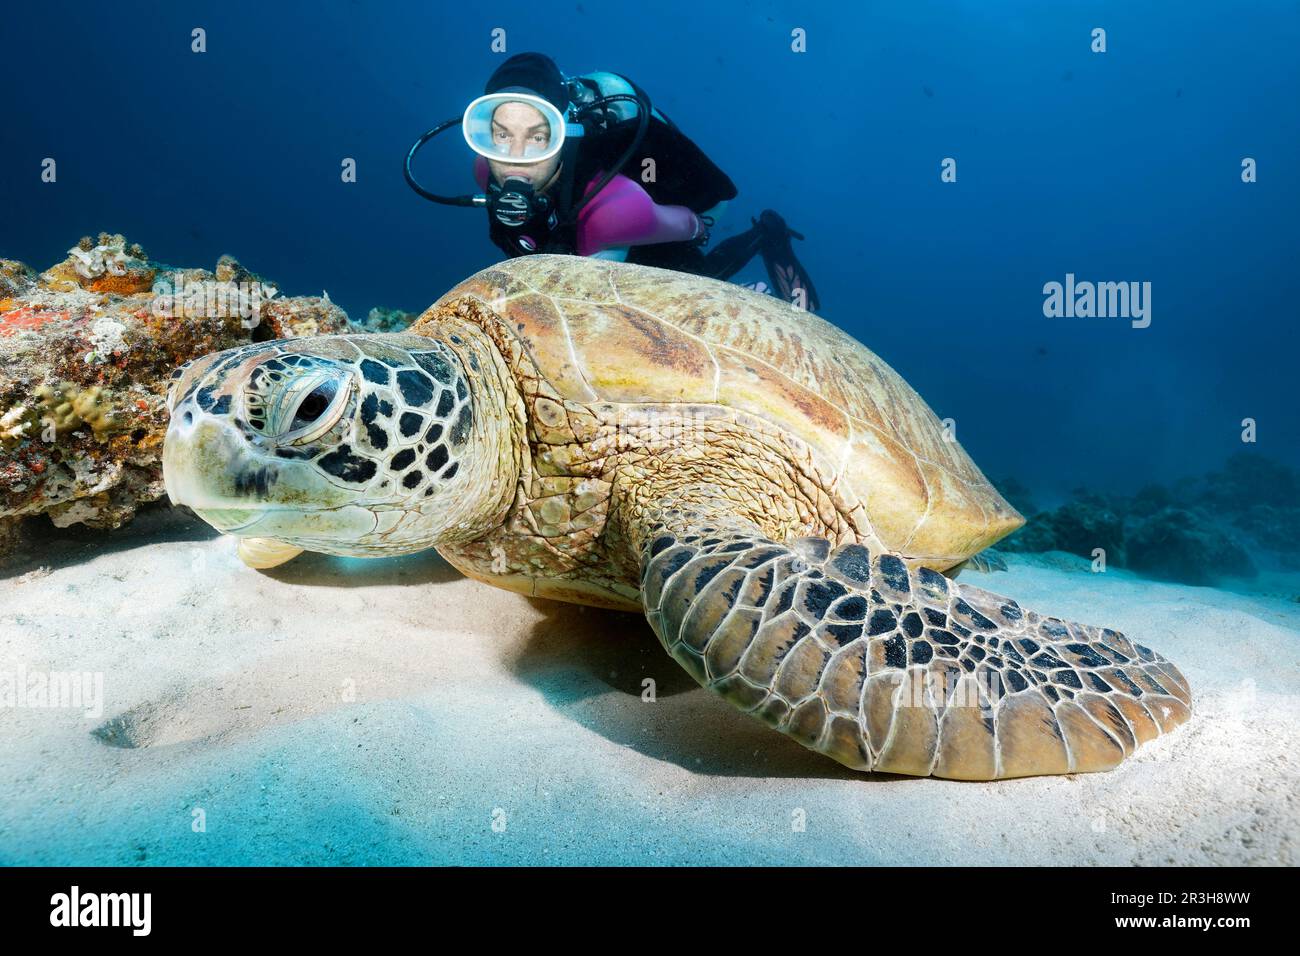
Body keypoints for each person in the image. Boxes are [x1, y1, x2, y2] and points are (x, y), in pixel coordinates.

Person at [407, 53, 820, 311]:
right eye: (500, 134)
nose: (515, 156)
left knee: (681, 289)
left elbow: (696, 226)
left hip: (660, 219)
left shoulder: (617, 211)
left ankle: (766, 234)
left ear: (565, 131)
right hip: (584, 221)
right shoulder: (486, 169)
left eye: (539, 135)